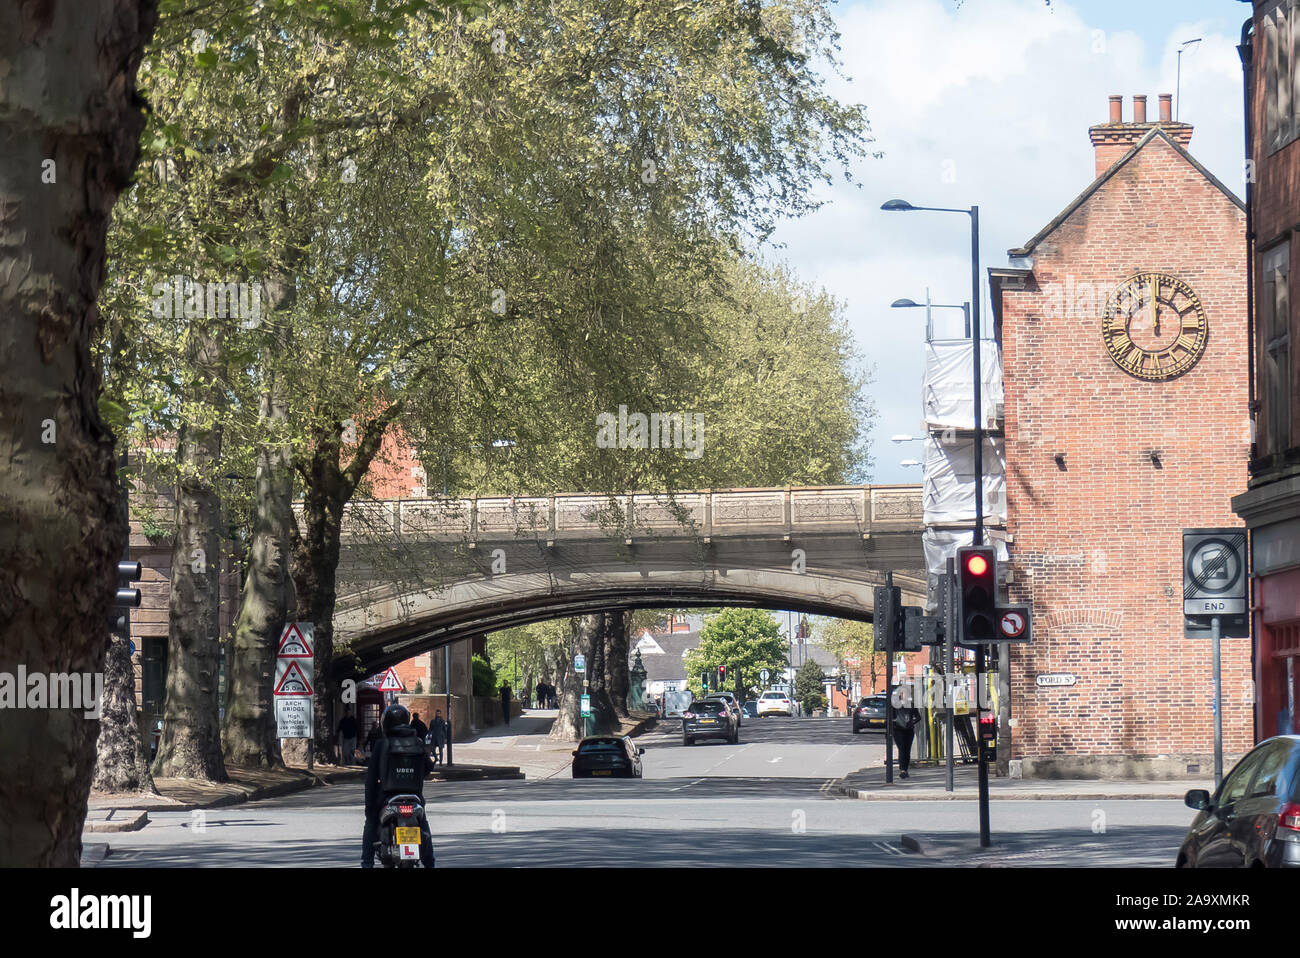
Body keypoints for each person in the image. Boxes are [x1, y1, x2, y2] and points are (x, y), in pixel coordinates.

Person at [362, 704, 434, 868]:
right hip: (414, 798)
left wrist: (369, 806)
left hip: (387, 798)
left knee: (371, 823)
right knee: (423, 824)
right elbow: (429, 767)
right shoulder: (418, 742)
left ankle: (366, 863)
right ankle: (430, 863)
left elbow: (371, 779)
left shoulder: (382, 744)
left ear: (385, 723)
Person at [891, 686, 922, 779]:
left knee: (907, 750)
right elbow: (891, 716)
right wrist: (894, 724)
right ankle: (902, 770)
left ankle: (906, 769)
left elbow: (918, 717)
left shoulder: (911, 705)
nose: (905, 695)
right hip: (898, 730)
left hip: (909, 730)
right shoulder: (895, 705)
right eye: (903, 693)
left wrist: (912, 722)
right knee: (901, 748)